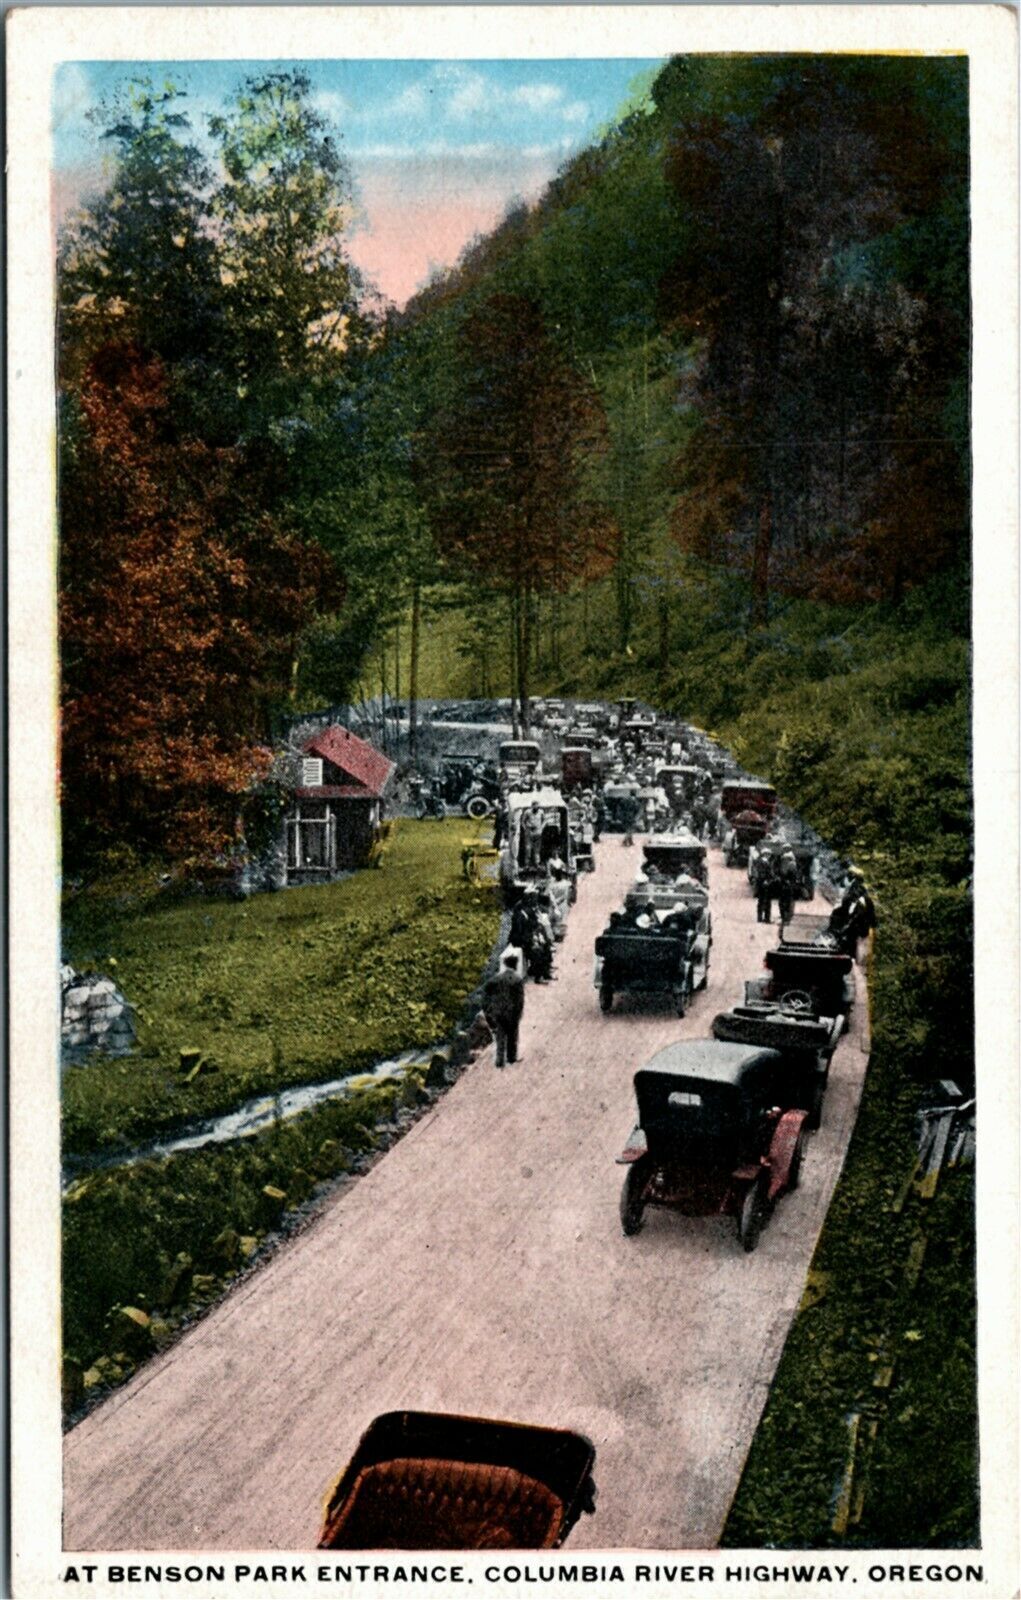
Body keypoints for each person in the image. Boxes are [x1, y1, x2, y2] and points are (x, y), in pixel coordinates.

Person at [483, 950, 525, 1067]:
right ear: (515, 965)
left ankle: (499, 1060)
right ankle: (511, 1058)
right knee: (512, 1035)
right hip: (511, 1011)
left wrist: (489, 1008)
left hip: (498, 1011)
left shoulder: (496, 978)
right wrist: (519, 1012)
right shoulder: (517, 979)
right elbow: (519, 999)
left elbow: (486, 991)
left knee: (500, 1035)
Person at [754, 849, 777, 924]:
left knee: (761, 901)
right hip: (765, 884)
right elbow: (763, 873)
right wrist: (766, 880)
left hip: (762, 884)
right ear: (765, 854)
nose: (769, 856)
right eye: (768, 854)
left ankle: (760, 917)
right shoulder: (763, 862)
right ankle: (766, 918)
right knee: (766, 901)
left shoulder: (761, 861)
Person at [519, 800, 543, 871]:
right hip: (529, 832)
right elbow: (523, 821)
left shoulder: (541, 812)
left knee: (537, 849)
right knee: (528, 848)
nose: (536, 807)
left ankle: (537, 864)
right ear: (532, 806)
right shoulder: (527, 812)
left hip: (538, 832)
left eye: (537, 806)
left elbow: (544, 820)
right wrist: (525, 828)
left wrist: (541, 827)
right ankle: (527, 864)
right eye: (535, 806)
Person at [777, 848, 799, 925]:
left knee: (786, 903)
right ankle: (785, 918)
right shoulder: (786, 865)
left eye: (785, 859)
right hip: (785, 887)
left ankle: (786, 919)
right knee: (784, 903)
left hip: (788, 887)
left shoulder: (791, 866)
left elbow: (791, 877)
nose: (784, 860)